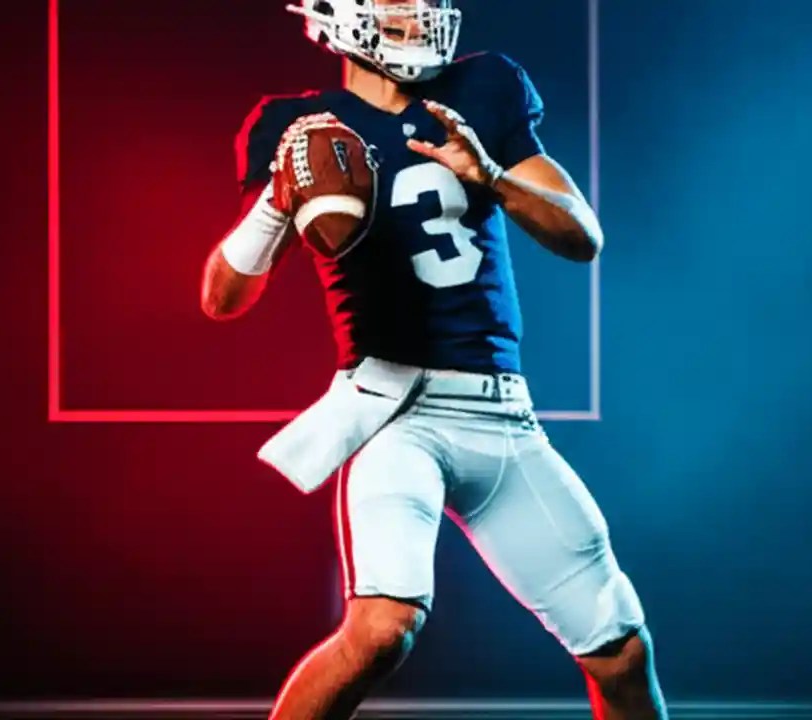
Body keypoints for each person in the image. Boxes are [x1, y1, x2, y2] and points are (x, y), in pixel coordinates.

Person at [200, 2, 668, 718]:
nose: (417, 11)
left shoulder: (483, 89)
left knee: (622, 650)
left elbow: (582, 236)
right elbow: (222, 299)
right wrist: (274, 201)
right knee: (382, 631)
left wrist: (491, 176)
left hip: (504, 417)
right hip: (395, 416)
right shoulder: (300, 125)